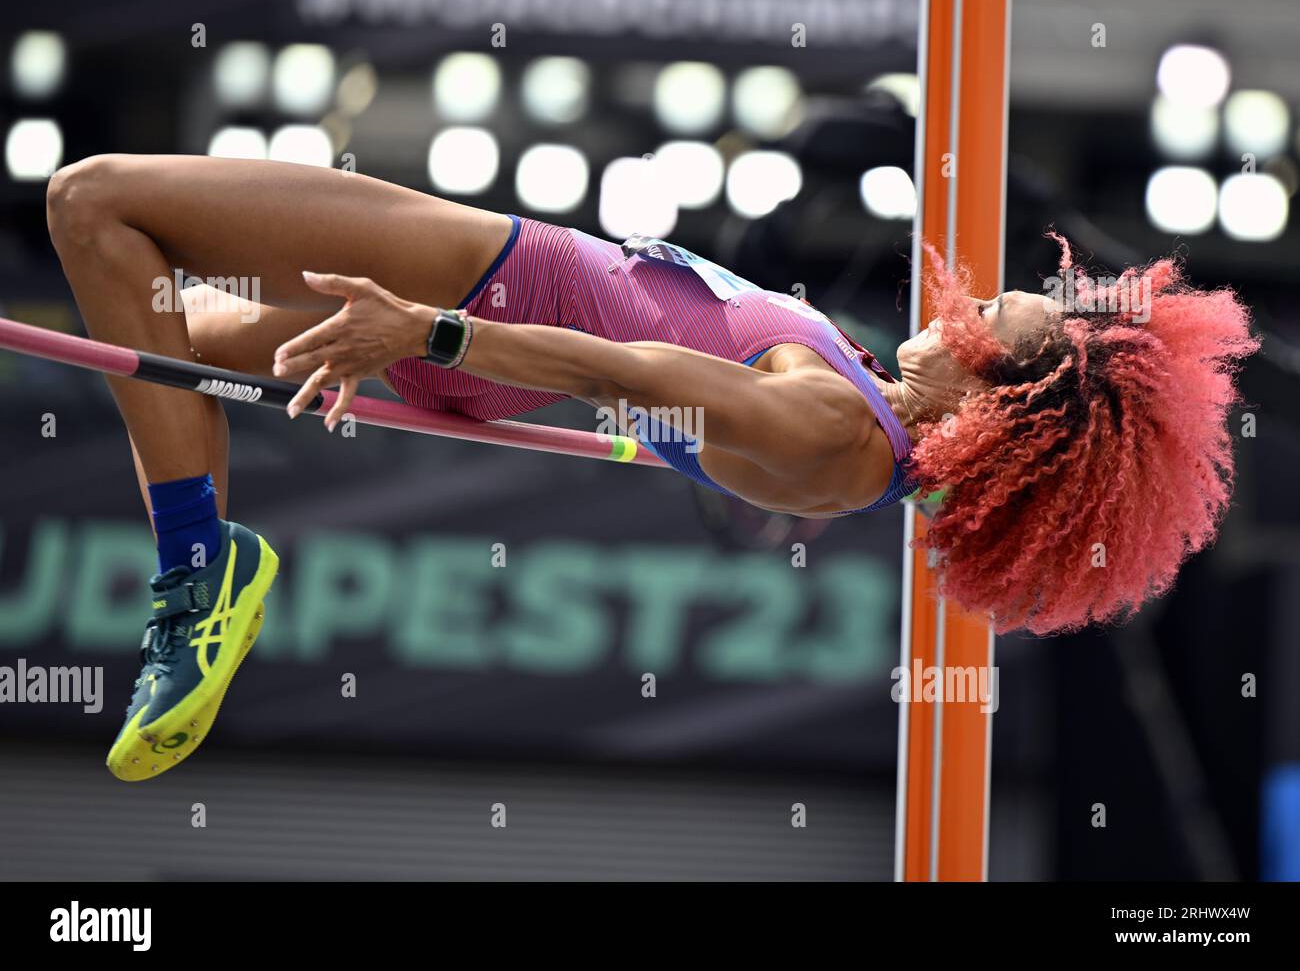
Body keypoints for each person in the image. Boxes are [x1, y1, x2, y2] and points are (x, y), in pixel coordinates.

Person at [44, 155, 1256, 779]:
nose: (976, 300)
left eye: (1002, 322)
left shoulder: (836, 432)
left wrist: (424, 330)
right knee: (160, 337)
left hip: (485, 287)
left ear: (1001, 415)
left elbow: (643, 378)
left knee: (92, 204)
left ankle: (198, 574)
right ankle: (200, 565)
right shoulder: (863, 417)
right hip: (486, 333)